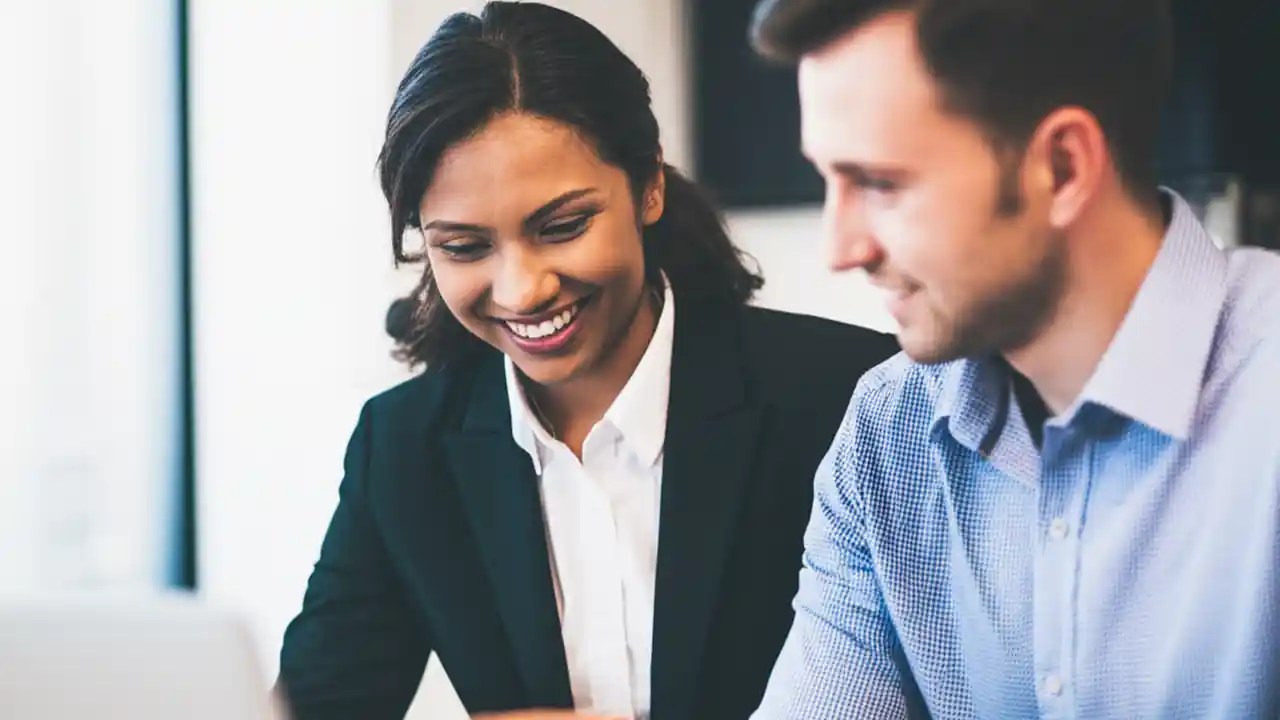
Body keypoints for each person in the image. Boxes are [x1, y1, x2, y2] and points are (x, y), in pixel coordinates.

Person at [276, 3, 896, 719]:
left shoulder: (846, 400)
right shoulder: (404, 447)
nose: (523, 289)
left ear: (649, 185)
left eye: (563, 227)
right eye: (464, 246)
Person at [747, 0, 1280, 718]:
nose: (840, 249)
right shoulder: (885, 433)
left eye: (879, 184)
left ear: (1061, 168)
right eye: (827, 181)